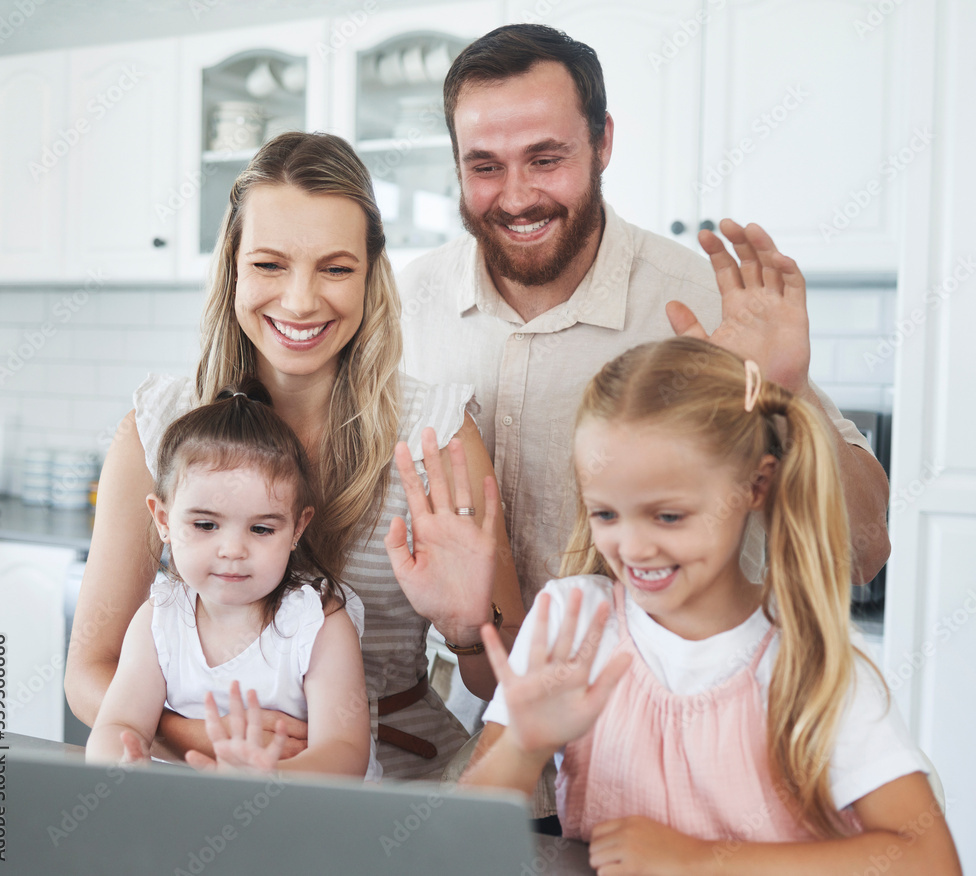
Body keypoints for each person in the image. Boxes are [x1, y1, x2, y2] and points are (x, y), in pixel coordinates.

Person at [67, 132, 526, 780]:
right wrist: (220, 742)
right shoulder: (158, 428)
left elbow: (502, 685)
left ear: (371, 278)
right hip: (200, 781)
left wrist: (463, 624)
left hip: (398, 781)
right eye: (269, 264)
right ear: (233, 266)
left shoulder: (437, 435)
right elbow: (90, 671)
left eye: (336, 268)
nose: (302, 300)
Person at [398, 23, 891, 610]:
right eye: (484, 167)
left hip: (677, 689)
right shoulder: (406, 306)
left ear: (602, 142)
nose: (517, 196)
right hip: (478, 688)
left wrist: (787, 397)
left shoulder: (704, 307)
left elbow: (862, 553)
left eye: (545, 158)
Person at [460, 337, 961, 874]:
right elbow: (465, 834)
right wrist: (527, 744)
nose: (633, 547)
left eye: (669, 517)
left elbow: (928, 858)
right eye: (606, 514)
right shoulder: (574, 618)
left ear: (757, 485)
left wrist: (699, 861)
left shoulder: (810, 659)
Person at [85, 380, 378, 780]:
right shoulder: (159, 620)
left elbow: (345, 753)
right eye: (206, 524)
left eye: (261, 529)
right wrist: (119, 760)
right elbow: (116, 725)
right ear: (164, 520)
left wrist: (267, 778)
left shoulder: (320, 622)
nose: (232, 550)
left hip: (298, 821)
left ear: (297, 528)